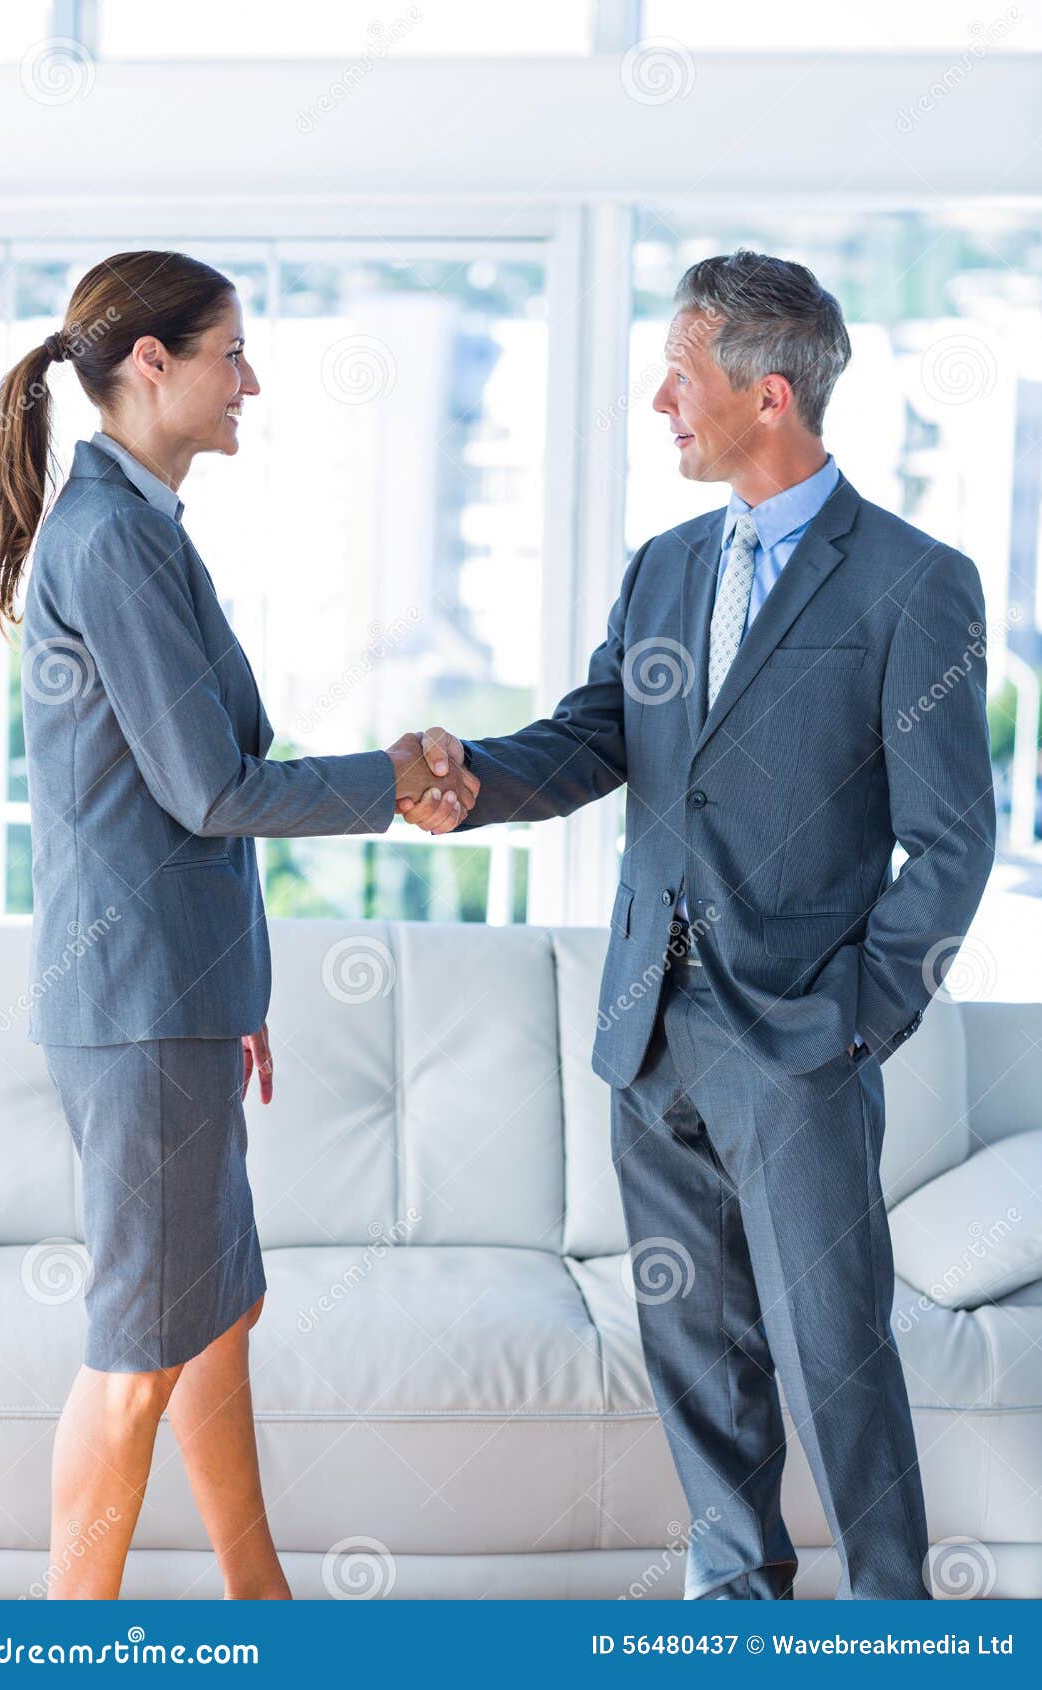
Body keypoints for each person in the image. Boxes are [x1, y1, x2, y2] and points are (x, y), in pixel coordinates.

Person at [402, 250, 996, 1599]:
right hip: (648, 1023)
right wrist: (473, 780)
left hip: (799, 1039)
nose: (660, 404)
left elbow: (955, 840)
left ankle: (895, 1621)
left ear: (767, 392)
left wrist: (854, 1019)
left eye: (679, 373)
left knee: (832, 1344)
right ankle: (735, 1605)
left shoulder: (913, 584)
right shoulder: (666, 569)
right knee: (695, 1343)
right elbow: (600, 734)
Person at [0, 249, 476, 1600]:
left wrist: (232, 986)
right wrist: (391, 778)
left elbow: (163, 796)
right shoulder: (110, 537)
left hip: (175, 999)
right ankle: (70, 1640)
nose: (248, 378)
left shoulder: (138, 527)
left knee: (218, 1315)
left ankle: (263, 1603)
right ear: (152, 363)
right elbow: (210, 789)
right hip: (139, 1009)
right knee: (142, 1347)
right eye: (229, 352)